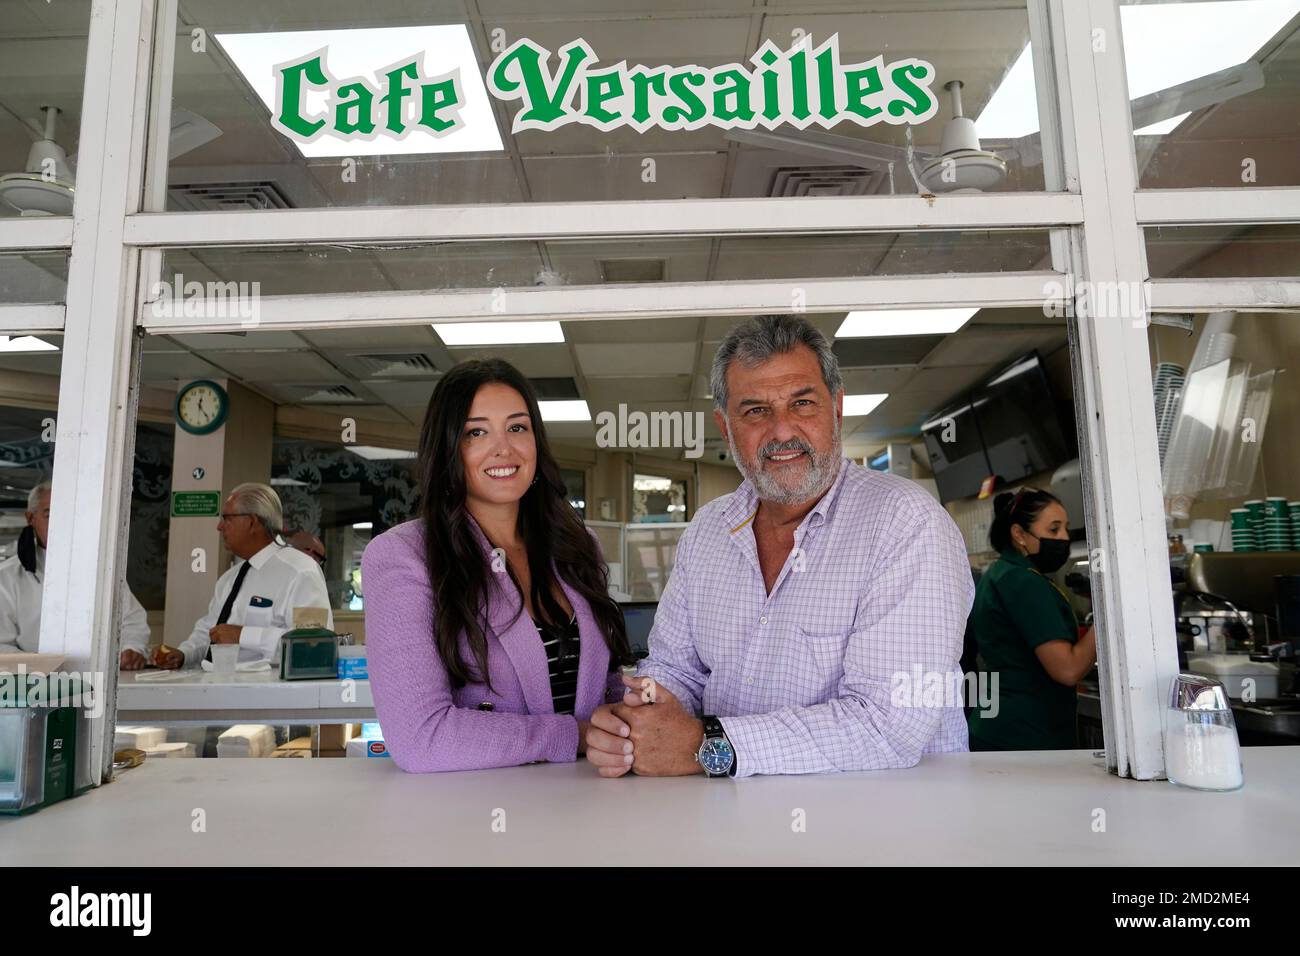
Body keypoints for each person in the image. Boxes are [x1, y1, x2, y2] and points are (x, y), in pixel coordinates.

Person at [584, 314, 974, 778]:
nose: (782, 431)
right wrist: (636, 719)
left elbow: (888, 725)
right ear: (727, 431)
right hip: (729, 824)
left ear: (837, 409)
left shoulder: (906, 524)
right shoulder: (709, 530)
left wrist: (706, 748)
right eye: (755, 411)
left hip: (878, 835)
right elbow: (677, 670)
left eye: (802, 403)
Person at [362, 359, 632, 773]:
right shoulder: (402, 555)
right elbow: (421, 739)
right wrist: (574, 735)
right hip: (474, 814)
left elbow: (601, 683)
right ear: (448, 447)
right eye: (476, 432)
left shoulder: (578, 544)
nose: (503, 448)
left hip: (589, 798)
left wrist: (627, 711)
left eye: (517, 427)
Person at [964, 488, 1096, 751]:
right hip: (1026, 733)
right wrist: (1107, 617)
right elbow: (1067, 670)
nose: (1064, 538)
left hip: (996, 725)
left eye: (1066, 529)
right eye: (1054, 529)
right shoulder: (1023, 582)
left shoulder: (1000, 573)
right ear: (1019, 534)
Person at [153, 483, 332, 668]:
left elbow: (313, 645)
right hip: (219, 687)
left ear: (252, 522)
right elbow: (210, 631)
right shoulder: (229, 579)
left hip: (269, 694)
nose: (219, 527)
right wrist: (184, 654)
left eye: (227, 518)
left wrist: (244, 636)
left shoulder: (300, 571)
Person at [0, 481, 151, 663]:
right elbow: (2, 644)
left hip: (98, 674)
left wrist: (131, 648)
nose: (59, 524)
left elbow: (131, 620)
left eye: (67, 514)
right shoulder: (7, 576)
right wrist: (42, 665)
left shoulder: (100, 569)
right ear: (30, 518)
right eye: (49, 515)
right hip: (33, 681)